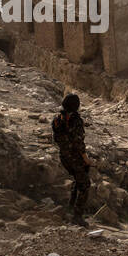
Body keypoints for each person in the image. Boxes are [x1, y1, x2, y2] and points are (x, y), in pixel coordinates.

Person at [52, 93, 91, 225]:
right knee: (85, 184)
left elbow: (57, 139)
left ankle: (70, 209)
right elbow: (78, 142)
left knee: (77, 180)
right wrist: (86, 159)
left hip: (64, 156)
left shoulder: (57, 119)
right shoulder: (76, 121)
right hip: (75, 157)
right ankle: (77, 216)